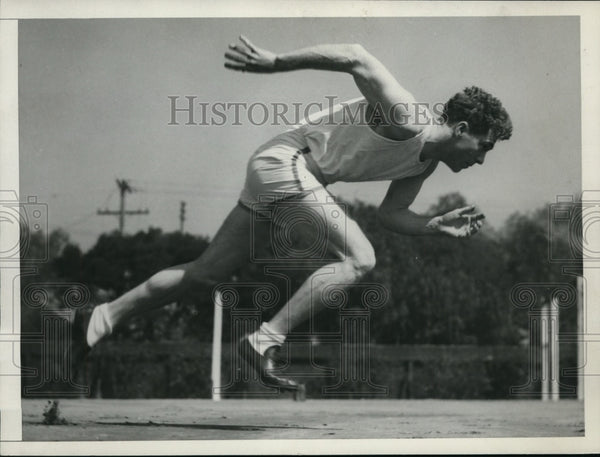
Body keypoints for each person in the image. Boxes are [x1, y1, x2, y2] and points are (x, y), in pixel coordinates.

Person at [69, 36, 512, 393]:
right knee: (361, 259)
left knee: (206, 273)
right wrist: (277, 62)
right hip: (288, 163)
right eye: (485, 147)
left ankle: (102, 318)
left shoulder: (425, 161)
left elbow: (392, 214)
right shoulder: (409, 118)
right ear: (462, 130)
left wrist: (433, 225)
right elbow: (357, 56)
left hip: (278, 168)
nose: (482, 160)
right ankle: (262, 342)